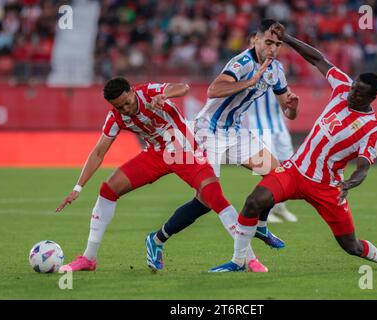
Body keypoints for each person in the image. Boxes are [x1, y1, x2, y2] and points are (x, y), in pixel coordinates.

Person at [210, 29, 377, 272]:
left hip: (327, 187)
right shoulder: (342, 86)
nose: (352, 93)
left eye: (359, 93)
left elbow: (363, 167)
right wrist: (287, 39)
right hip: (295, 171)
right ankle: (238, 262)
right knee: (254, 202)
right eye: (353, 88)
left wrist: (350, 183)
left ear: (372, 98)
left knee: (350, 245)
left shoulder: (372, 130)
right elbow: (318, 59)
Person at [55, 78, 264, 272]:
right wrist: (77, 188)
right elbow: (99, 152)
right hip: (155, 154)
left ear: (132, 91)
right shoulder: (116, 117)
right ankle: (88, 258)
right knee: (108, 189)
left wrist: (165, 96)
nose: (126, 109)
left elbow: (183, 87)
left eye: (127, 102)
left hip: (184, 150)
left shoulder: (149, 92)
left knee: (214, 197)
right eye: (119, 106)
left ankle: (249, 257)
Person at [146, 19, 299, 273]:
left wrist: (291, 107)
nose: (272, 49)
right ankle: (157, 239)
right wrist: (249, 82)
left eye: (277, 44)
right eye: (268, 42)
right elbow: (213, 90)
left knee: (277, 175)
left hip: (237, 132)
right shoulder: (243, 63)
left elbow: (288, 108)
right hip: (209, 132)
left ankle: (260, 226)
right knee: (206, 201)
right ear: (255, 40)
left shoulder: (276, 70)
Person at [245, 31, 298, 223]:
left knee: (286, 166)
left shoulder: (276, 66)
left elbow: (283, 89)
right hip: (258, 126)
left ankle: (280, 207)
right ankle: (263, 210)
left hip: (279, 125)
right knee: (266, 169)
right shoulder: (245, 64)